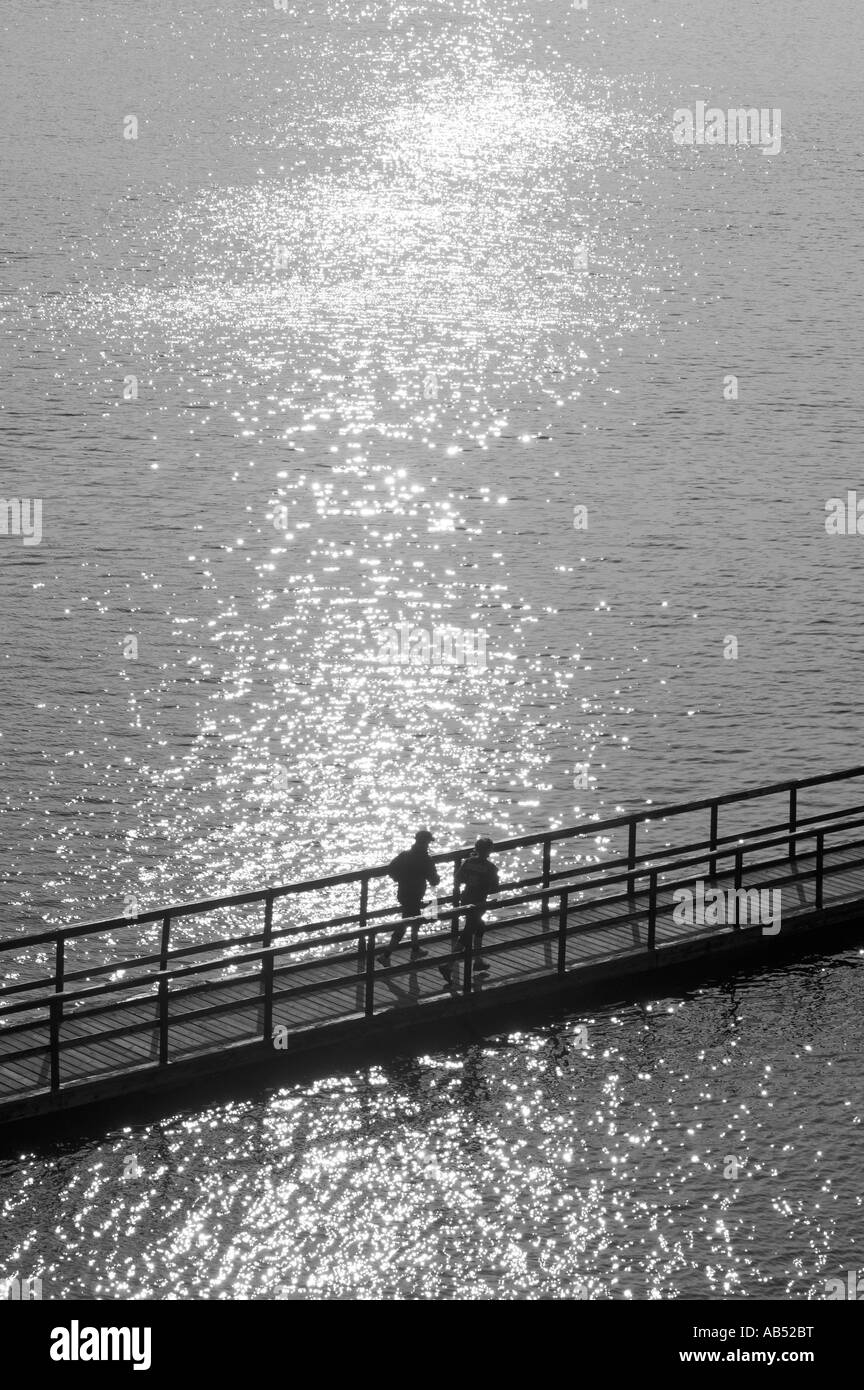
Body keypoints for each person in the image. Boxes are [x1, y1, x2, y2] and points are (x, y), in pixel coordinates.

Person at [378, 829, 440, 964]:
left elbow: (390, 869)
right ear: (426, 843)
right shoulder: (425, 859)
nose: (429, 845)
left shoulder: (405, 855)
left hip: (403, 893)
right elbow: (434, 880)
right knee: (406, 923)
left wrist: (400, 879)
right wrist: (435, 877)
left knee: (414, 921)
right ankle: (386, 954)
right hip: (415, 894)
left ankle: (415, 948)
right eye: (428, 842)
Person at [441, 836, 499, 980]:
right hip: (479, 902)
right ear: (489, 850)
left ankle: (478, 961)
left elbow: (458, 878)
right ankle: (448, 965)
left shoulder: (468, 862)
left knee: (479, 926)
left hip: (466, 899)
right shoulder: (490, 868)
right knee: (468, 932)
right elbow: (494, 888)